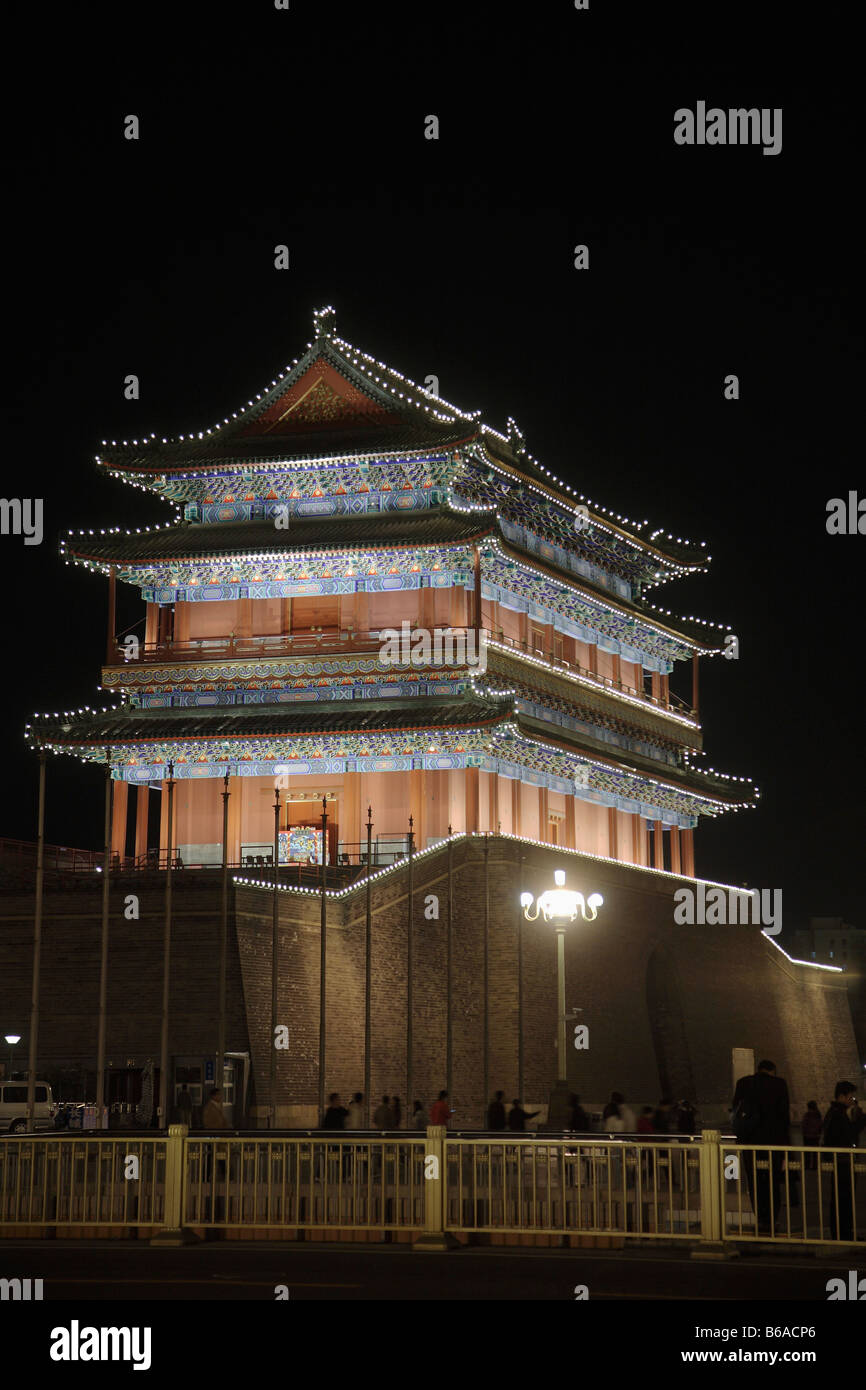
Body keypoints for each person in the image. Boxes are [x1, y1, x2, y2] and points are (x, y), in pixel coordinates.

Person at [731, 1060, 790, 1234]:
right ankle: (772, 1218)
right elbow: (784, 1115)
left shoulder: (743, 1083)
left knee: (755, 1180)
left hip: (749, 1140)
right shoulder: (779, 1084)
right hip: (773, 1140)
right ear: (773, 1071)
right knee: (772, 1181)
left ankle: (762, 1218)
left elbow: (735, 1109)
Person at [822, 1080, 866, 1242]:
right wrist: (860, 1120)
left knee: (843, 1200)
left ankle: (843, 1233)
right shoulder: (838, 1114)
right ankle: (843, 1234)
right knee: (843, 1201)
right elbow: (848, 1134)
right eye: (850, 1097)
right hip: (842, 1162)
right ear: (841, 1096)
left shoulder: (837, 1112)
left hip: (843, 1161)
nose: (852, 1100)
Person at [801, 1100, 823, 1170]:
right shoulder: (818, 1115)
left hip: (807, 1136)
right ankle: (815, 1166)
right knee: (815, 1152)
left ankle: (807, 1165)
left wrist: (804, 1132)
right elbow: (820, 1125)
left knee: (807, 1152)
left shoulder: (807, 1115)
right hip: (815, 1136)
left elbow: (804, 1125)